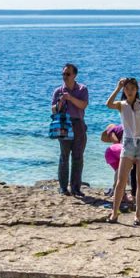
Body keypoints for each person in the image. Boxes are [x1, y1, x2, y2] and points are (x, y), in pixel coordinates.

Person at [105, 77, 140, 225]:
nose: (129, 91)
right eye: (127, 88)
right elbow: (108, 104)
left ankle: (137, 216)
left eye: (132, 88)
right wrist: (117, 88)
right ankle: (114, 214)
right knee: (120, 181)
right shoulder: (121, 105)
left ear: (136, 90)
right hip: (128, 144)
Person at [51, 62, 89, 196]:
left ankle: (76, 188)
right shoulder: (58, 91)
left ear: (74, 75)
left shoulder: (82, 89)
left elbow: (83, 105)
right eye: (63, 74)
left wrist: (70, 98)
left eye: (67, 74)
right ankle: (63, 187)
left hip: (78, 124)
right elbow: (53, 110)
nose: (65, 76)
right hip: (64, 124)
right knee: (64, 156)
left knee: (78, 156)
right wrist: (60, 103)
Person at [100, 123, 139, 210]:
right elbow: (118, 144)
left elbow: (115, 143)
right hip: (117, 152)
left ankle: (120, 194)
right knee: (122, 175)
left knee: (120, 174)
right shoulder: (121, 127)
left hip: (112, 153)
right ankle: (120, 195)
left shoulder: (111, 131)